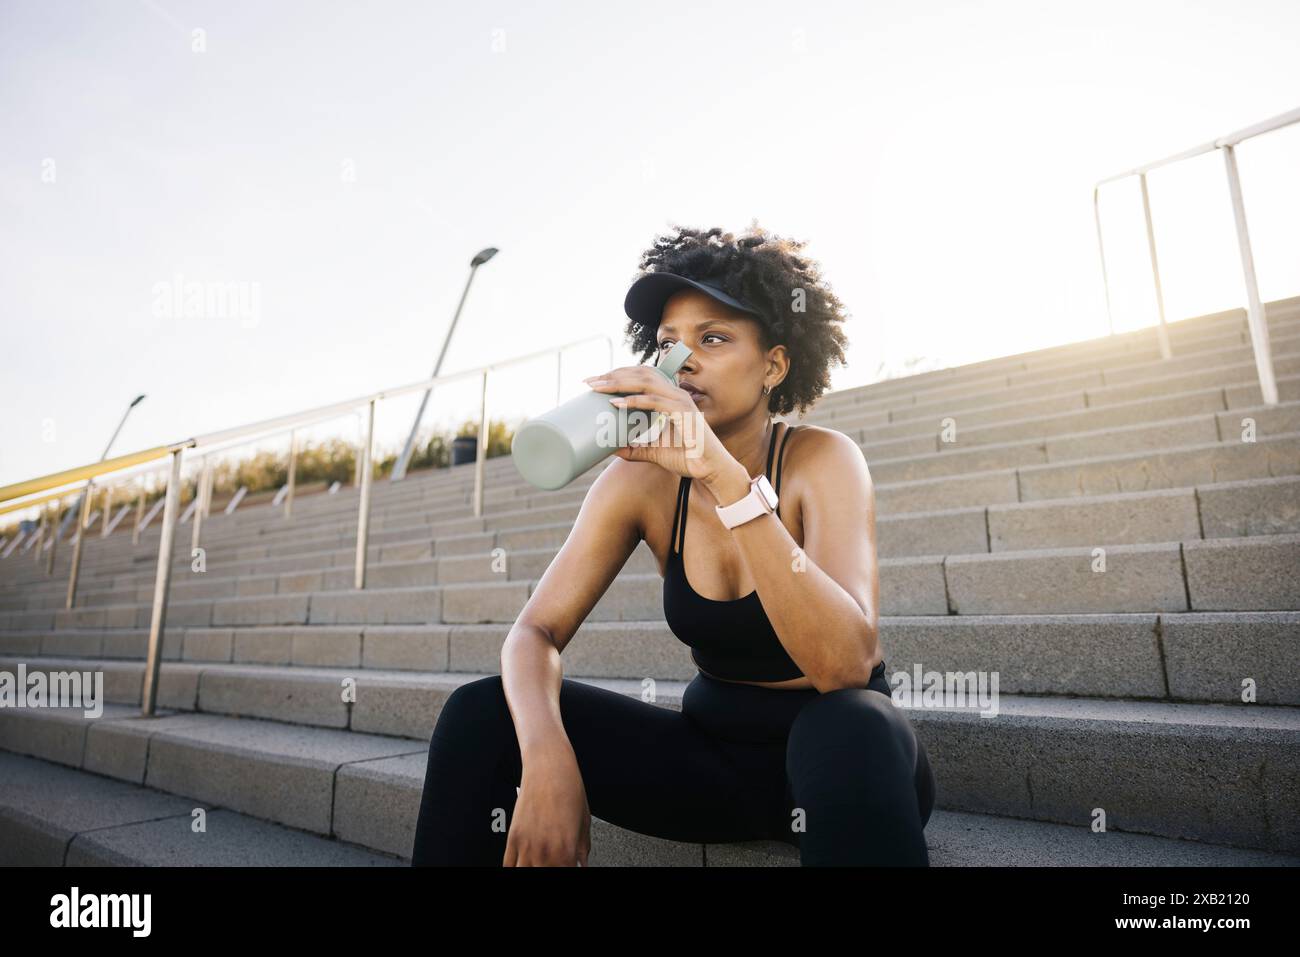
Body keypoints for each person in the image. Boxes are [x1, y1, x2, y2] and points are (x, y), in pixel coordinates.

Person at [410, 222, 937, 866]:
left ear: (774, 363)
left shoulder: (823, 460)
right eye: (667, 343)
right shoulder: (640, 480)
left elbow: (845, 666)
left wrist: (722, 476)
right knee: (480, 713)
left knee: (851, 723)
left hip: (851, 766)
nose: (682, 361)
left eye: (713, 338)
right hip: (712, 766)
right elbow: (534, 634)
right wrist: (547, 756)